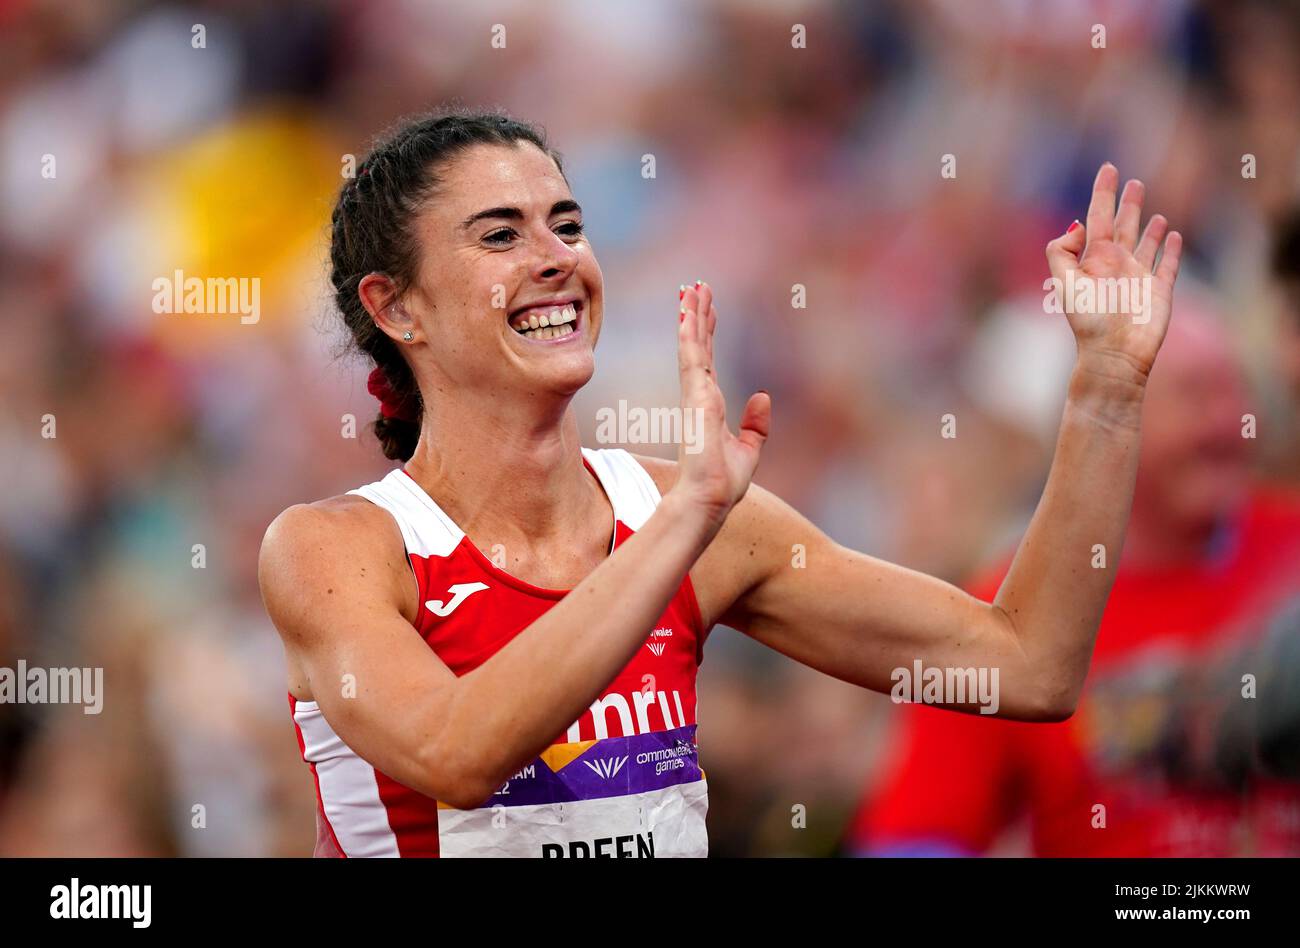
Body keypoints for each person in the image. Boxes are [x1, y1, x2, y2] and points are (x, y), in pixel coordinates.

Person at [257, 109, 1184, 857]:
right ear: (396, 306)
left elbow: (1024, 666)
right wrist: (684, 521)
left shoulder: (692, 517)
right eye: (500, 234)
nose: (558, 258)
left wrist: (1105, 390)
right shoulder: (337, 549)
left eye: (568, 225)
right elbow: (456, 753)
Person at [844, 300, 1300, 857]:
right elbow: (914, 839)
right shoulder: (1006, 608)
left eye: (1236, 393)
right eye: (1196, 396)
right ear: (1111, 418)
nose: (1227, 422)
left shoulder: (1290, 551)